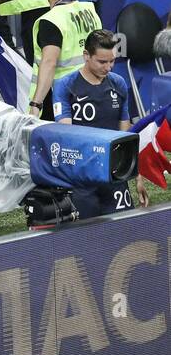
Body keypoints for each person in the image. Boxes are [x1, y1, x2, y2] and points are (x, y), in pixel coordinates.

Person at [54, 29, 150, 217]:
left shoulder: (119, 83)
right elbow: (66, 134)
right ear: (86, 56)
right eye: (102, 62)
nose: (108, 68)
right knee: (86, 239)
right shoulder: (65, 85)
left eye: (112, 61)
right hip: (81, 178)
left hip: (114, 175)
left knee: (123, 234)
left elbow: (126, 135)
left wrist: (137, 175)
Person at [27, 0, 103, 120]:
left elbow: (49, 62)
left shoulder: (51, 20)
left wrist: (36, 104)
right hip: (94, 93)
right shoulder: (88, 8)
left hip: (65, 102)